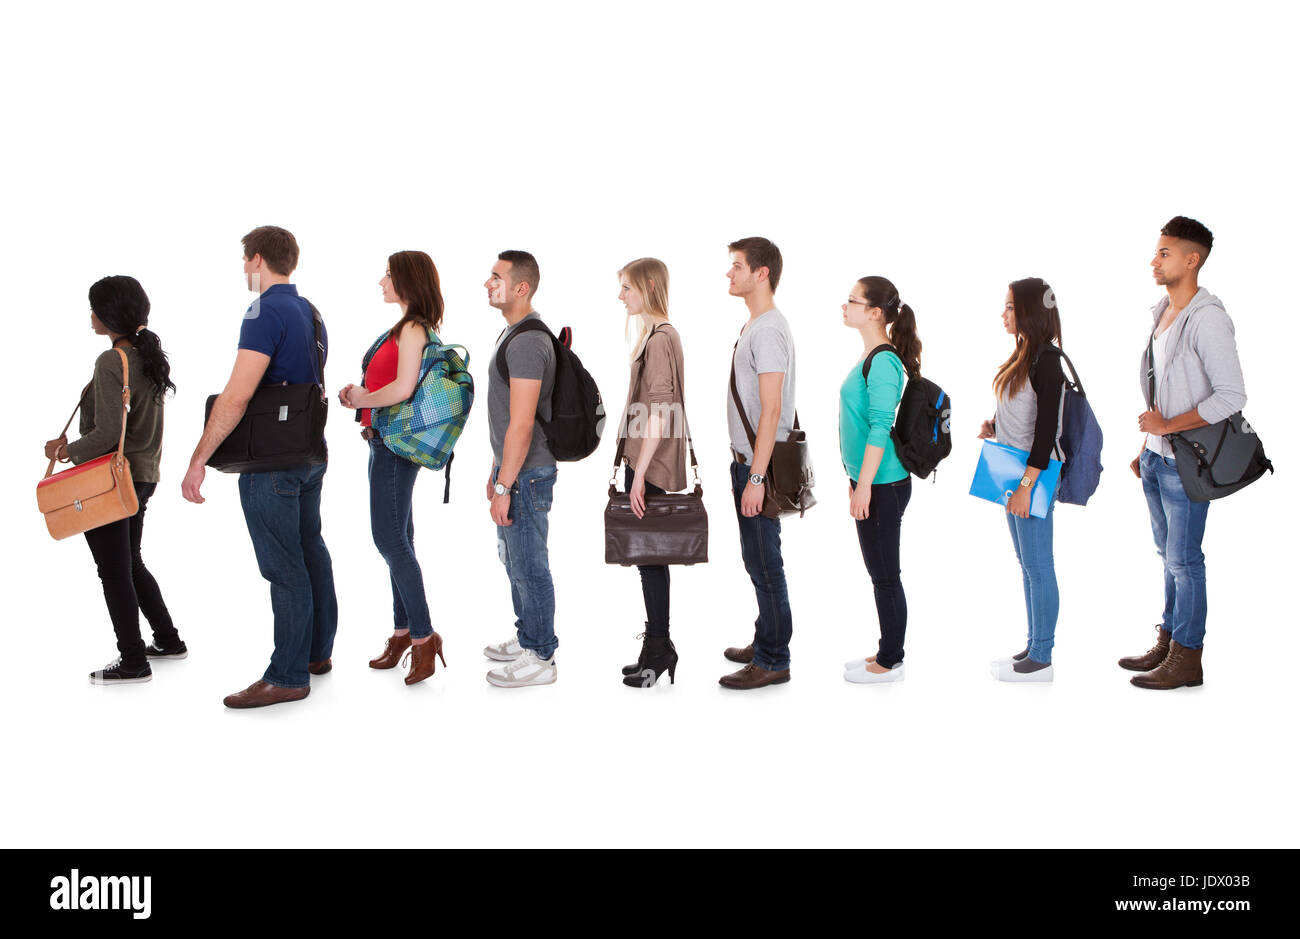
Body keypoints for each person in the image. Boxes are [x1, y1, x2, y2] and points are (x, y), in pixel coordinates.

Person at [181, 226, 339, 709]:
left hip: (272, 464)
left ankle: (287, 675)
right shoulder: (311, 312)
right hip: (310, 453)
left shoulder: (263, 310)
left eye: (244, 260)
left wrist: (197, 460)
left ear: (256, 260)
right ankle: (315, 654)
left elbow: (237, 395)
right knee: (310, 550)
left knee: (284, 567)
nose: (243, 268)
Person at [1121, 216, 1245, 690]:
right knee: (1167, 555)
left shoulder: (1208, 319)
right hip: (1157, 456)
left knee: (1185, 560)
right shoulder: (1163, 312)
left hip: (1186, 462)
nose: (1154, 260)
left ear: (1192, 259)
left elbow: (1232, 395)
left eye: (1165, 253)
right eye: (1156, 252)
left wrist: (1167, 429)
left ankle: (1187, 658)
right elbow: (1164, 390)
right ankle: (1169, 638)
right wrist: (1147, 442)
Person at [46, 276, 185, 684]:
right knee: (130, 561)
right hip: (143, 475)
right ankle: (168, 640)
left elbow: (107, 435)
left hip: (110, 479)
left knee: (114, 570)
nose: (90, 315)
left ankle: (133, 662)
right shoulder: (147, 355)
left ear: (109, 315)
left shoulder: (112, 361)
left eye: (94, 308)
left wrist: (65, 450)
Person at [338, 251, 447, 685]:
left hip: (394, 447)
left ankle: (424, 639)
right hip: (383, 443)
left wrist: (362, 399)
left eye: (387, 275)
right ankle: (403, 632)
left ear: (406, 280)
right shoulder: (405, 327)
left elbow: (402, 389)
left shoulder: (415, 328)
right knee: (401, 539)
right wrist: (362, 393)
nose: (381, 281)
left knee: (389, 540)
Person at [719, 236, 798, 690]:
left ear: (761, 273)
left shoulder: (767, 329)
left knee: (767, 564)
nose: (729, 274)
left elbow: (771, 411)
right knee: (758, 560)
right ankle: (765, 637)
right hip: (750, 462)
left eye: (737, 266)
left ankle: (773, 659)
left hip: (757, 466)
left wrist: (755, 476)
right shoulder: (758, 325)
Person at [981, 277, 1067, 683]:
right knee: (1027, 565)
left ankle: (1042, 657)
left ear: (1030, 312)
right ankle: (1034, 644)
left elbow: (1047, 430)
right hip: (1014, 469)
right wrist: (994, 424)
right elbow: (1026, 412)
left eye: (1011, 307)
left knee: (1039, 565)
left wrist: (1027, 487)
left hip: (1032, 476)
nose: (1004, 314)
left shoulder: (1047, 359)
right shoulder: (1023, 353)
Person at [480, 250, 560, 688]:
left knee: (530, 564)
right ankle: (528, 634)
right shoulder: (513, 334)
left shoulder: (528, 341)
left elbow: (524, 422)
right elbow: (507, 416)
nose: (488, 284)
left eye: (496, 278)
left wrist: (506, 483)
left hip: (527, 474)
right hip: (514, 471)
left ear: (521, 287)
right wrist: (496, 470)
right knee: (514, 559)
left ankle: (542, 655)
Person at [838, 276, 920, 684]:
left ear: (874, 312)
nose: (844, 305)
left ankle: (890, 661)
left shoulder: (884, 361)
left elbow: (878, 427)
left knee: (887, 574)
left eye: (852, 301)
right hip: (870, 481)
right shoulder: (871, 355)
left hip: (884, 484)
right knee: (880, 573)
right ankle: (887, 649)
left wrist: (866, 484)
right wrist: (855, 479)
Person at [614, 258, 688, 687]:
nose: (621, 296)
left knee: (651, 559)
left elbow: (661, 409)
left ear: (648, 287)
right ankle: (655, 645)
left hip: (652, 465)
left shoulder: (660, 338)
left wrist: (639, 472)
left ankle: (659, 647)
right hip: (649, 461)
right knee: (649, 559)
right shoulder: (659, 334)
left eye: (627, 287)